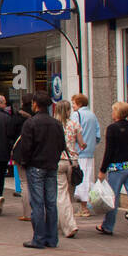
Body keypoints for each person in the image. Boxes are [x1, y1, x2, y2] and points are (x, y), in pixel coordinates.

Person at [13, 92, 66, 249]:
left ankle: (39, 238)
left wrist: (25, 161)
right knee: (51, 203)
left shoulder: (31, 123)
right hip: (51, 165)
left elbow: (26, 147)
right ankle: (52, 238)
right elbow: (61, 144)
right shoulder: (56, 123)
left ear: (35, 104)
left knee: (37, 203)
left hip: (36, 166)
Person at [97, 101, 128, 238]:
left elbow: (109, 151)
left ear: (117, 113)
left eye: (113, 111)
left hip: (117, 168)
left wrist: (102, 170)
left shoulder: (112, 129)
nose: (112, 113)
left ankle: (108, 226)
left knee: (113, 197)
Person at [71, 94, 100, 218]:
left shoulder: (76, 115)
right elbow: (98, 135)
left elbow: (73, 132)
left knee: (79, 179)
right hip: (90, 152)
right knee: (87, 178)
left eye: (73, 103)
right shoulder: (93, 116)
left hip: (79, 151)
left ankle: (83, 208)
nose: (72, 106)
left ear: (78, 103)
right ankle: (85, 205)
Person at [54, 100, 80, 240]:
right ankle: (63, 221)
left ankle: (69, 225)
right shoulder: (74, 124)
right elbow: (82, 143)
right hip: (72, 161)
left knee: (61, 195)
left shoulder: (54, 124)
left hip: (58, 161)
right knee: (68, 195)